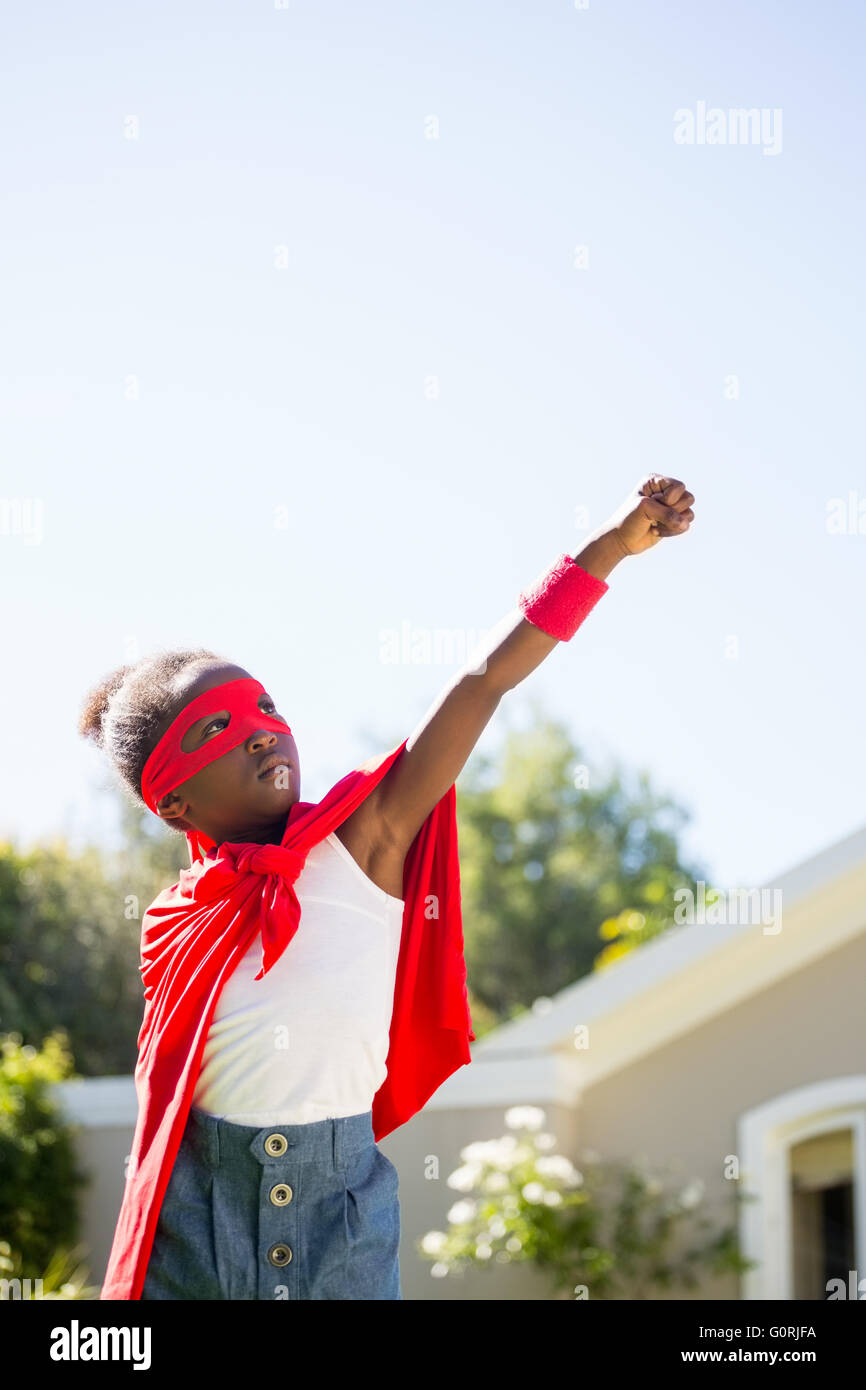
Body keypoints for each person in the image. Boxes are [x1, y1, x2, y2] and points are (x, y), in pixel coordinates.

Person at [77, 474, 694, 1301]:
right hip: (201, 1221)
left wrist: (609, 549)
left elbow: (482, 682)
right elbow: (164, 1111)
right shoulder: (174, 923)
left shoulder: (365, 838)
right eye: (216, 728)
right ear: (173, 801)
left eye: (263, 707)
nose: (261, 732)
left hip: (342, 1214)